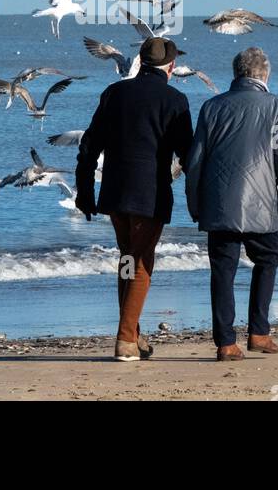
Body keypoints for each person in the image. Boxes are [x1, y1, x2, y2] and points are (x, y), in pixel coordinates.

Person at [76, 36, 193, 362]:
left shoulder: (114, 93)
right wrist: (196, 195)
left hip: (114, 192)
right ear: (170, 66)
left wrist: (85, 191)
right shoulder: (175, 100)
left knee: (128, 258)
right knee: (141, 262)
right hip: (149, 195)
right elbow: (188, 155)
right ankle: (126, 339)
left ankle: (135, 334)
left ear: (141, 61)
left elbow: (89, 147)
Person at [185, 46, 278, 361]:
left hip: (219, 206)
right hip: (262, 206)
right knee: (266, 262)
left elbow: (195, 161)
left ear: (237, 73)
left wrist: (195, 204)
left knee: (222, 271)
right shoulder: (275, 106)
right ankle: (259, 332)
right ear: (264, 75)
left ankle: (225, 343)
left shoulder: (211, 107)